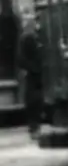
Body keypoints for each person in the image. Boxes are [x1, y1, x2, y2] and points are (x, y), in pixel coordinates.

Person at [16, 9, 43, 138]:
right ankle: (34, 127)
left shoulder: (28, 36)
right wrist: (33, 69)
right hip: (33, 73)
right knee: (33, 100)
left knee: (33, 100)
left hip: (33, 72)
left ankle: (34, 127)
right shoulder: (28, 37)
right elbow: (22, 58)